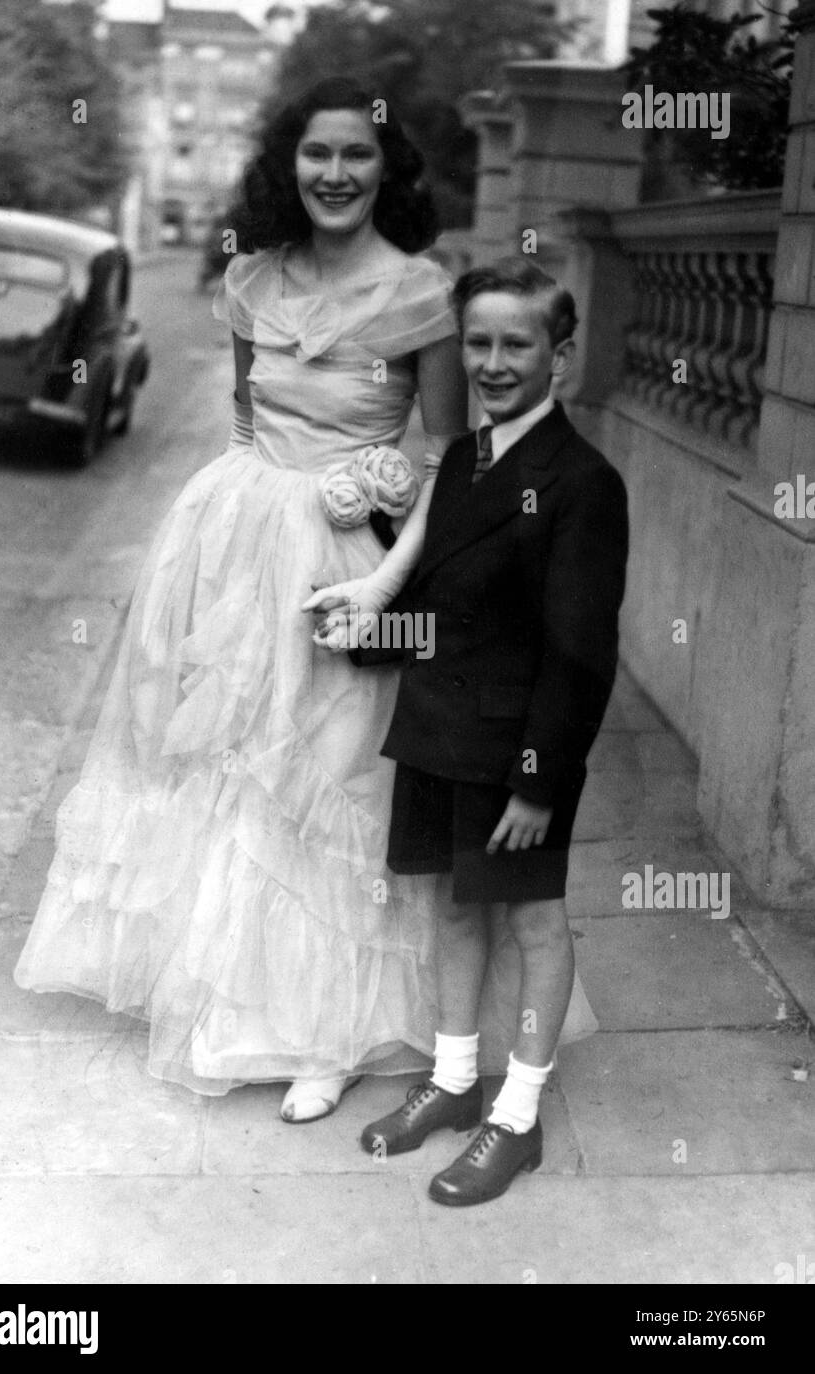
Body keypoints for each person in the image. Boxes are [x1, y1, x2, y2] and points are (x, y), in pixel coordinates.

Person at [14, 77, 470, 1122]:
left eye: (357, 154)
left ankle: (327, 1033)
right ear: (288, 164)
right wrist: (211, 539)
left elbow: (447, 453)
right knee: (217, 761)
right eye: (316, 154)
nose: (336, 173)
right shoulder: (251, 280)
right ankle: (218, 994)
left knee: (324, 775)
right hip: (230, 539)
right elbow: (239, 421)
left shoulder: (420, 294)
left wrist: (384, 574)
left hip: (348, 561)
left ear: (386, 168)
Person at [336, 258, 629, 1203]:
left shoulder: (584, 482)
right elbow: (438, 590)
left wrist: (539, 783)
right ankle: (458, 1084)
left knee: (535, 921)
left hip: (517, 748)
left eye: (517, 343)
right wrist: (362, 626)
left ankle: (518, 1118)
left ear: (559, 353)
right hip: (438, 729)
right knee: (455, 908)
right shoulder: (462, 458)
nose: (493, 362)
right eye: (478, 342)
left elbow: (579, 652)